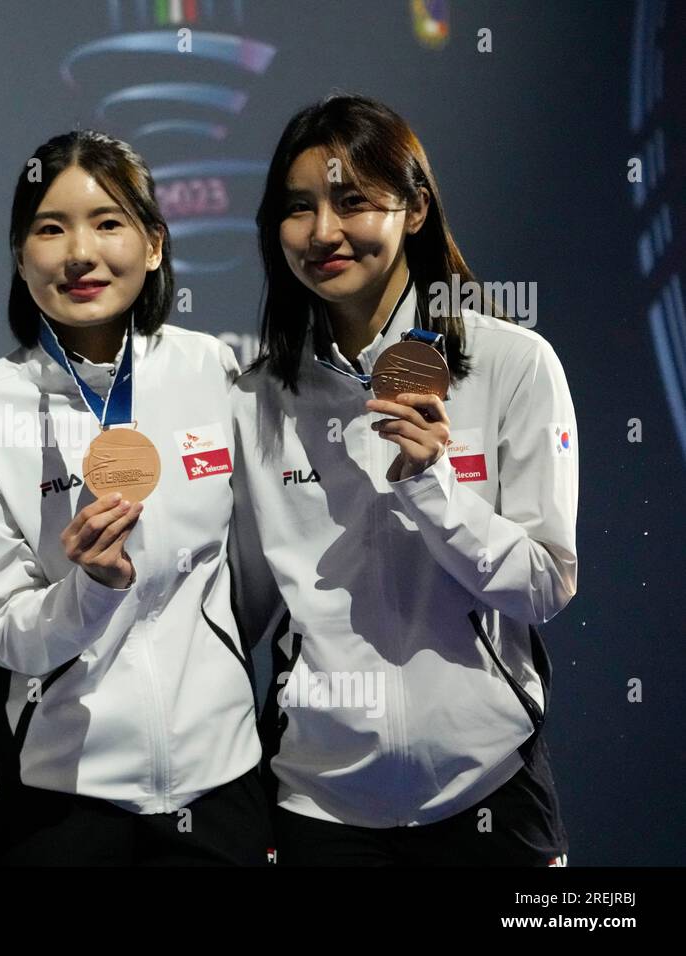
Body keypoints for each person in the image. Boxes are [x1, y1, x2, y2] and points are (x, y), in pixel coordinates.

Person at [231, 94, 576, 865]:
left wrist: (433, 489)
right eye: (298, 208)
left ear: (414, 208)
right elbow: (239, 614)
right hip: (316, 804)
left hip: (489, 791)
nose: (323, 232)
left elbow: (544, 586)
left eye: (351, 200)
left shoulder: (515, 364)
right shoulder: (255, 398)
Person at [0, 129, 270, 866]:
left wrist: (215, 663)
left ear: (154, 244)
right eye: (50, 228)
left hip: (220, 779)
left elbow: (252, 575)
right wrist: (89, 591)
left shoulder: (215, 371)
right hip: (63, 795)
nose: (80, 253)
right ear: (20, 257)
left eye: (108, 223)